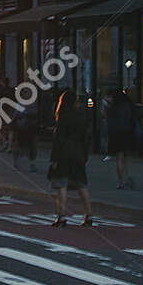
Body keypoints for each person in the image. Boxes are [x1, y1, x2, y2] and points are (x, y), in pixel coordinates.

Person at [47, 89, 92, 227]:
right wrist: (84, 154)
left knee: (61, 185)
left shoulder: (63, 117)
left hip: (64, 153)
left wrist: (53, 159)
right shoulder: (81, 116)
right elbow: (85, 138)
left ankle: (61, 216)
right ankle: (89, 215)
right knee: (81, 185)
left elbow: (59, 139)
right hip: (78, 152)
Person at [105, 87, 140, 190]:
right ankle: (128, 176)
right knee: (128, 157)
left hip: (116, 134)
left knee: (119, 158)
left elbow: (108, 121)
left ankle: (121, 182)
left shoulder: (113, 107)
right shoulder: (129, 106)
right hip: (128, 133)